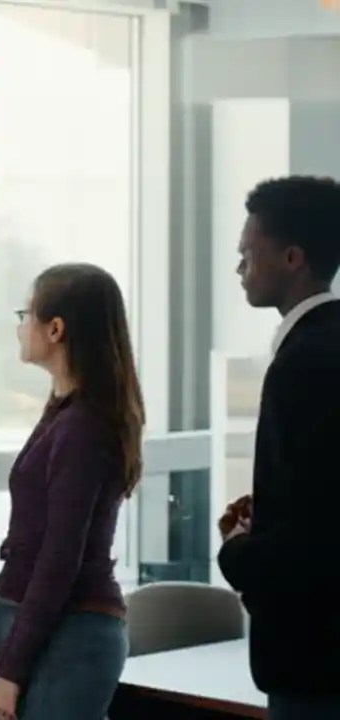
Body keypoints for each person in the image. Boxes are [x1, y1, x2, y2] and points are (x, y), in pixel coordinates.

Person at [0, 264, 144, 720]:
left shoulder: (82, 427)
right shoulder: (68, 410)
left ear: (55, 329)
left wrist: (11, 669)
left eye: (25, 314)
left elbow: (59, 558)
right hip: (60, 632)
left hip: (70, 635)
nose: (20, 326)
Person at [218, 176, 340, 720]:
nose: (239, 268)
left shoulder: (301, 364)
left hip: (313, 658)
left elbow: (311, 537)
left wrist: (238, 549)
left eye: (248, 254)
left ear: (292, 258)